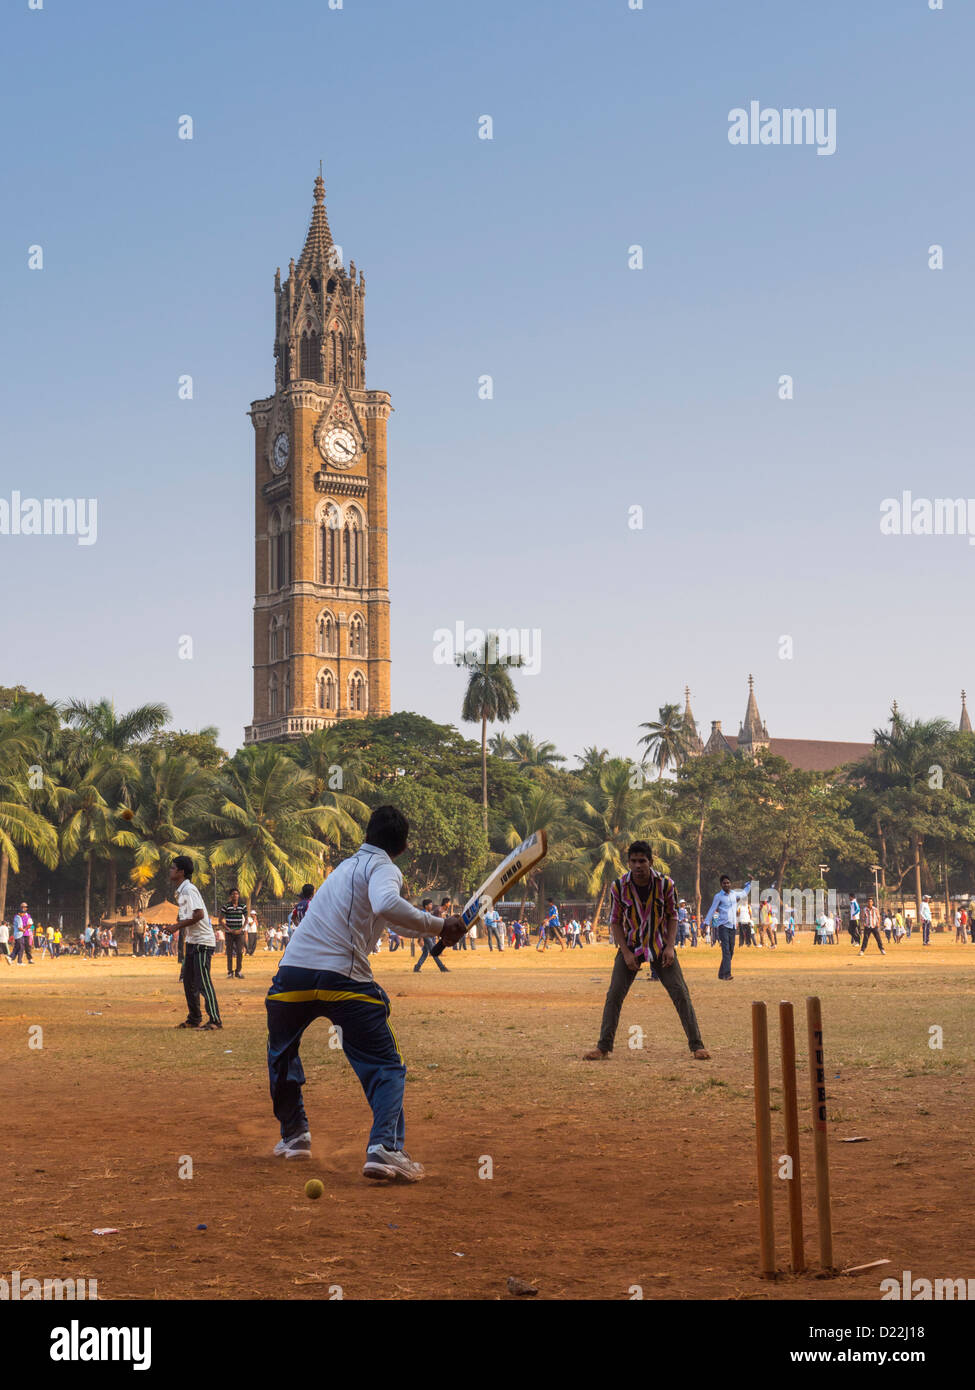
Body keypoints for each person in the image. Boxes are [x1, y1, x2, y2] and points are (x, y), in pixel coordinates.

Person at [265, 804, 464, 1175]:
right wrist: (440, 926)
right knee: (385, 1064)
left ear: (366, 835)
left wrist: (435, 927)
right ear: (403, 848)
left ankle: (294, 1136)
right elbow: (388, 903)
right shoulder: (385, 868)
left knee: (282, 1054)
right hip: (343, 980)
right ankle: (385, 1148)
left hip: (292, 976)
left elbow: (389, 917)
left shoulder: (343, 869)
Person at [583, 841, 710, 1063]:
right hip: (631, 945)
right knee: (614, 995)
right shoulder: (618, 887)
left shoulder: (666, 885)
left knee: (680, 993)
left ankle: (697, 1046)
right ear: (628, 863)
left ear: (650, 862)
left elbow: (672, 916)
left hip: (660, 946)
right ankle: (603, 1047)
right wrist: (625, 953)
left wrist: (670, 946)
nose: (638, 865)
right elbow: (615, 922)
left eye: (642, 861)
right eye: (633, 861)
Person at [170, 855, 221, 1030]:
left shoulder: (188, 890)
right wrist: (179, 922)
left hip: (202, 942)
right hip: (192, 941)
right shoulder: (181, 891)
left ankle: (215, 1020)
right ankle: (194, 1018)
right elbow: (189, 915)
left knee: (202, 982)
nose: (170, 870)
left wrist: (176, 926)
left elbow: (198, 914)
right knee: (189, 981)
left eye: (173, 868)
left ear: (181, 872)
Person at [703, 875, 753, 980]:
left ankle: (721, 973)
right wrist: (706, 923)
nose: (726, 884)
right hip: (723, 926)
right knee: (726, 950)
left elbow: (744, 893)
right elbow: (712, 909)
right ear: (721, 885)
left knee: (731, 951)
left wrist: (750, 883)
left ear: (730, 884)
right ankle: (727, 974)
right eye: (724, 883)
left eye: (728, 883)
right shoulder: (718, 896)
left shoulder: (734, 894)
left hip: (733, 926)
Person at [414, 899, 450, 974]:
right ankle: (442, 967)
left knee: (425, 952)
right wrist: (420, 938)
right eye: (430, 904)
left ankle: (417, 967)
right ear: (426, 906)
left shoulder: (429, 913)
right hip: (426, 935)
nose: (432, 906)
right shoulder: (423, 914)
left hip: (429, 934)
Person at [222, 888, 247, 979]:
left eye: (236, 894)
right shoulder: (226, 906)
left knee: (239, 952)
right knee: (229, 952)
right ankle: (230, 972)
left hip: (239, 933)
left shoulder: (242, 906)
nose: (235, 895)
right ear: (230, 896)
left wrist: (241, 929)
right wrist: (228, 929)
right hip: (229, 933)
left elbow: (246, 919)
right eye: (233, 894)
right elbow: (220, 920)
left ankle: (238, 971)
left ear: (238, 895)